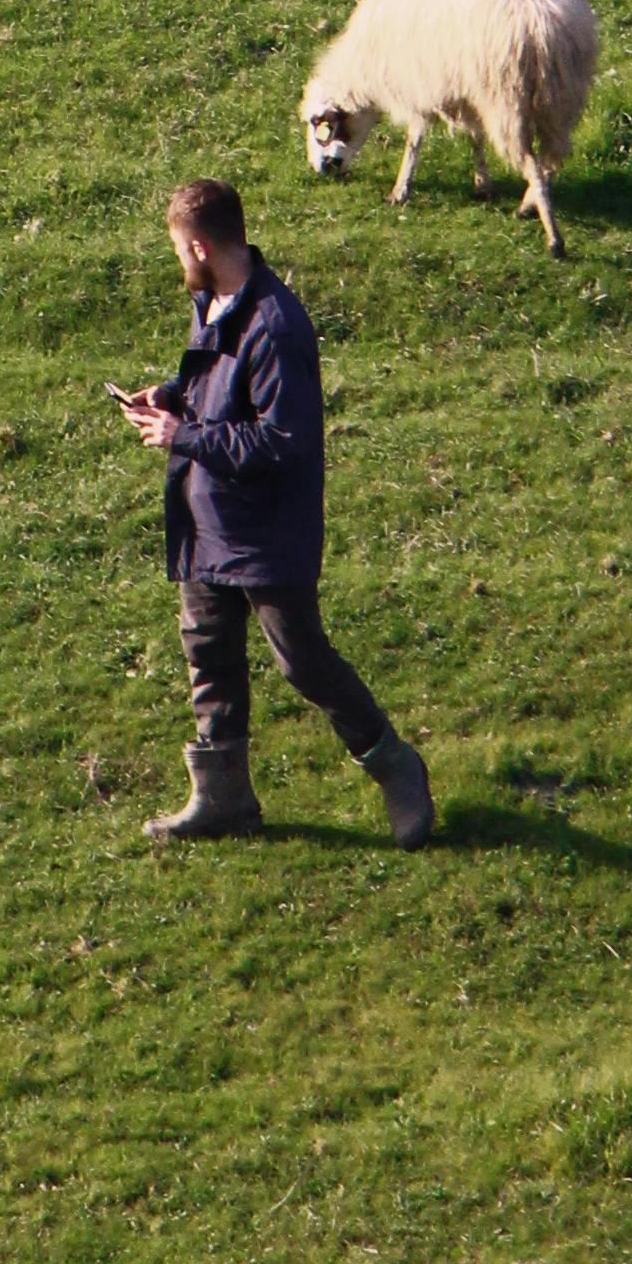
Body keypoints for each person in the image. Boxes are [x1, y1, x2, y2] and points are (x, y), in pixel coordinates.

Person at [115, 179, 433, 847]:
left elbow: (280, 441)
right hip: (209, 524)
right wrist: (170, 394)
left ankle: (397, 768)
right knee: (209, 655)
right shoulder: (214, 299)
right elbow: (215, 386)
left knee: (304, 662)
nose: (179, 263)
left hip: (265, 532)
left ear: (200, 244)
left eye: (178, 249)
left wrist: (182, 436)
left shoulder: (276, 326)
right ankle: (223, 800)